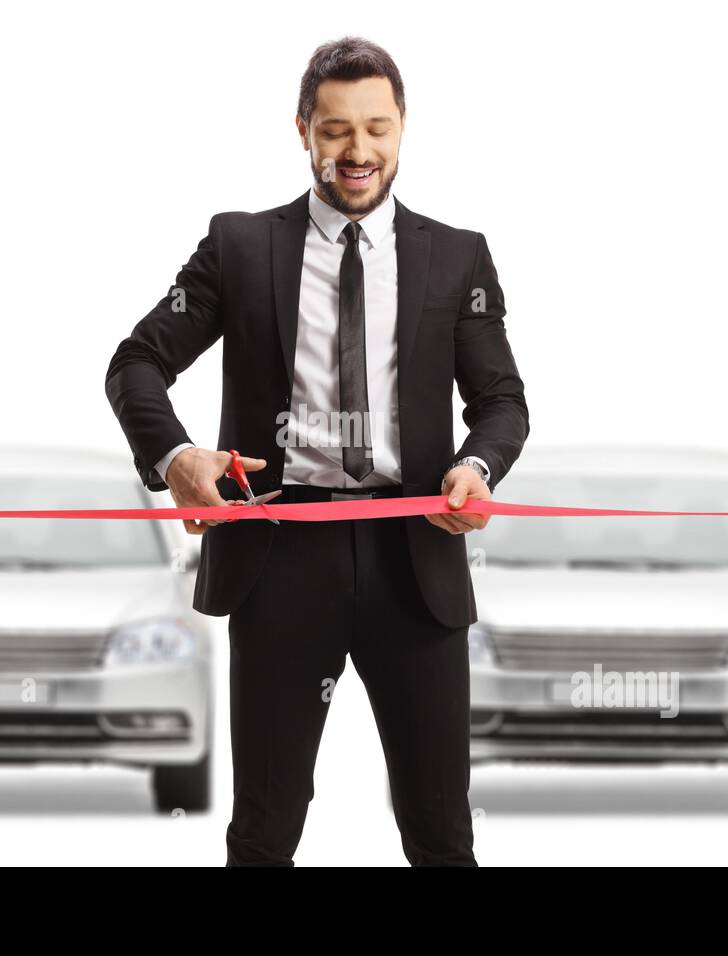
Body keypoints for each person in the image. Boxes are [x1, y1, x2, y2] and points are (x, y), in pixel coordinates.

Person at [105, 36, 529, 865]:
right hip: (279, 558)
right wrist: (177, 458)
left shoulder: (457, 256)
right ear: (303, 130)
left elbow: (502, 401)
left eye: (376, 128)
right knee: (264, 830)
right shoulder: (239, 246)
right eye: (335, 130)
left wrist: (475, 468)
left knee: (442, 832)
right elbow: (137, 363)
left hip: (417, 557)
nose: (358, 152)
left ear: (403, 127)